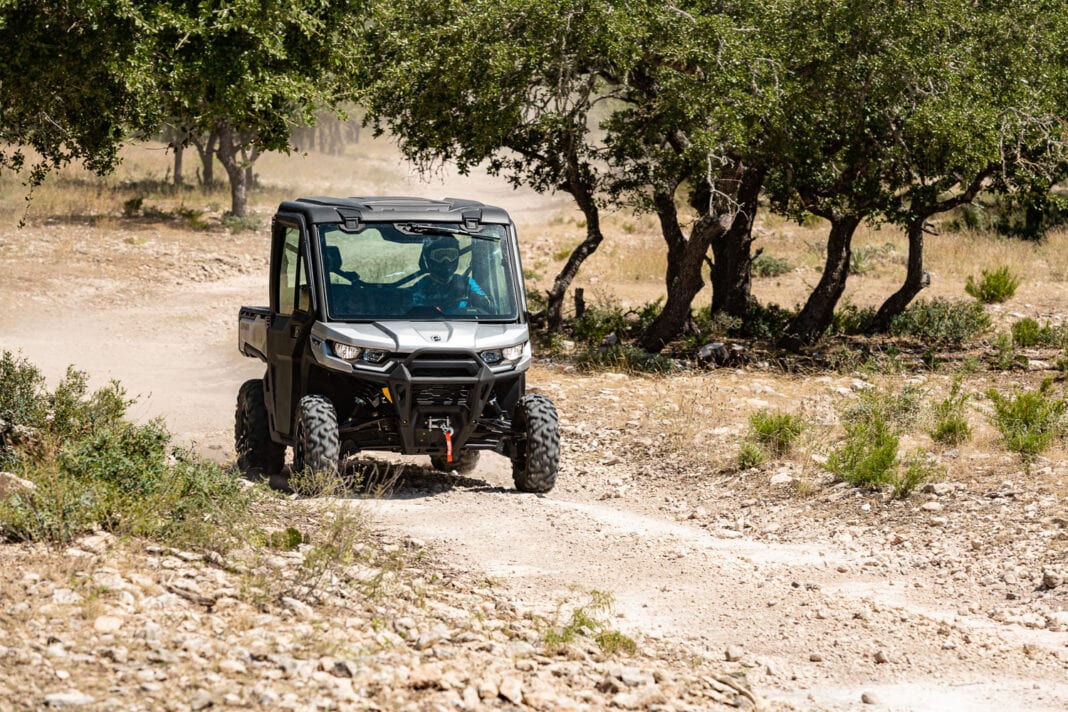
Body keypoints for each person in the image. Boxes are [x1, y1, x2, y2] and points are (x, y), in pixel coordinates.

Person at [407, 234, 492, 313]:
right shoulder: (421, 287)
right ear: (428, 258)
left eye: (451, 255)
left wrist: (473, 295)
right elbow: (415, 313)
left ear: (457, 256)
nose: (446, 261)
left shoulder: (467, 283)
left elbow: (489, 307)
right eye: (439, 255)